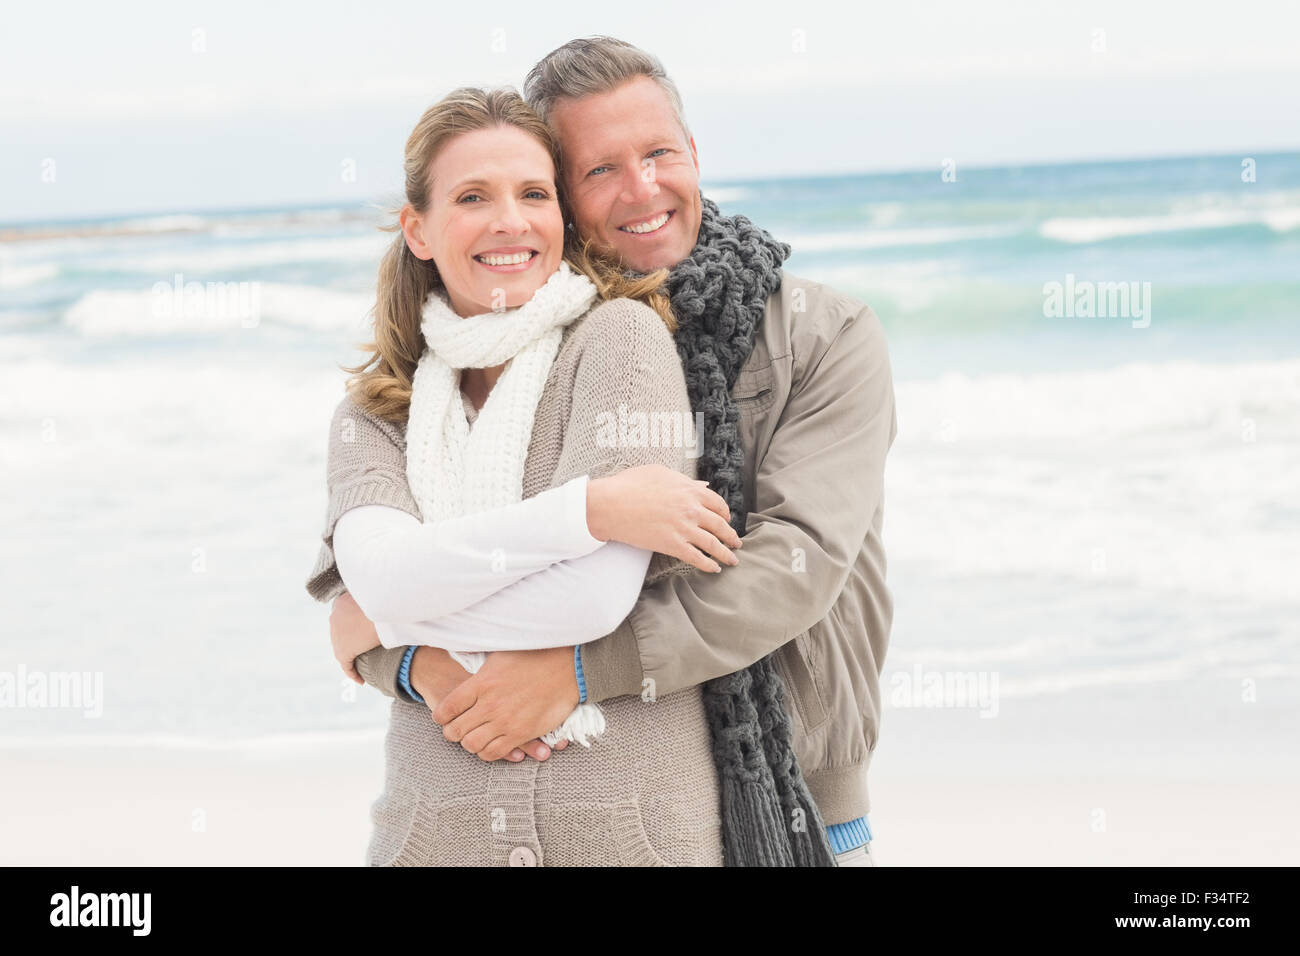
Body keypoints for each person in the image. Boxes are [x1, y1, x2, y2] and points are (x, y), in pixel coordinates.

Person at [335, 37, 898, 868]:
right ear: (562, 196)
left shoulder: (822, 333)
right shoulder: (516, 347)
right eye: (598, 171)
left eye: (659, 154)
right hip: (599, 789)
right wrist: (404, 652)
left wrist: (577, 668)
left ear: (694, 153)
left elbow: (797, 562)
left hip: (791, 791)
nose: (642, 189)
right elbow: (379, 583)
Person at [306, 86, 741, 865]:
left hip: (627, 838)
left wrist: (386, 631)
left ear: (561, 220)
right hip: (432, 837)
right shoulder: (374, 413)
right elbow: (389, 582)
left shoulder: (619, 343)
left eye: (534, 194)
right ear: (419, 228)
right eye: (473, 196)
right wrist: (589, 511)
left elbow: (589, 601)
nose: (510, 221)